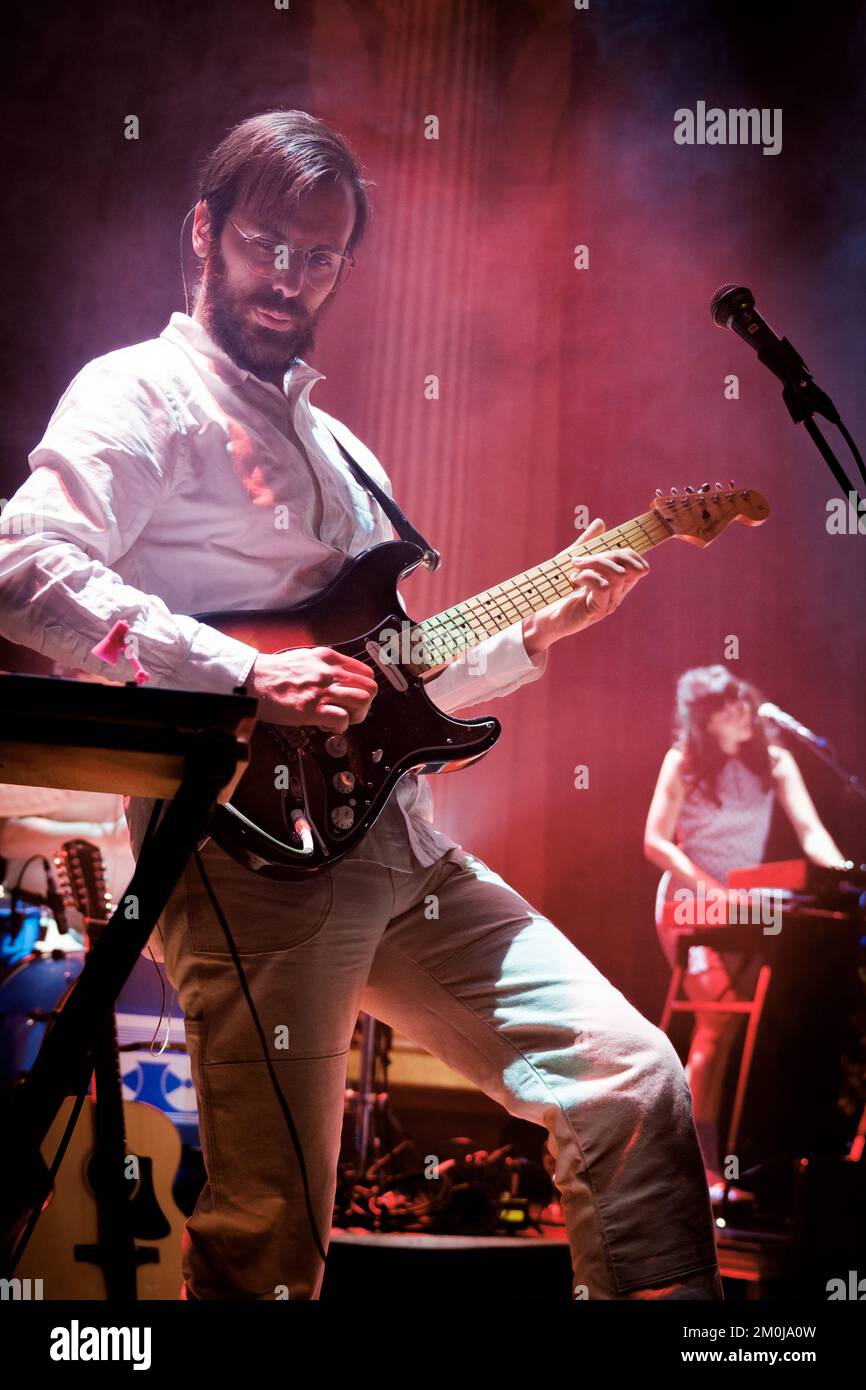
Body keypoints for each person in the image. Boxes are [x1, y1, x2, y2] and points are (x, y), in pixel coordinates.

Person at [0, 109, 723, 1300]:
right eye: (265, 245)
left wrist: (536, 629)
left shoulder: (342, 451)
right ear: (204, 232)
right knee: (275, 1234)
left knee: (630, 1078)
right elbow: (31, 571)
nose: (289, 277)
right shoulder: (137, 392)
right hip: (249, 854)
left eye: (319, 255)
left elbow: (386, 680)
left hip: (401, 846)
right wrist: (243, 671)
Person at [644, 664, 847, 1194]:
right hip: (690, 903)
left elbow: (812, 834)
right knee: (715, 1025)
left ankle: (706, 1160)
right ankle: (694, 1170)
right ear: (704, 719)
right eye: (727, 707)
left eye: (743, 702)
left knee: (735, 1030)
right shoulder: (684, 761)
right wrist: (709, 886)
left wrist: (843, 874)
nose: (742, 713)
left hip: (748, 910)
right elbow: (656, 841)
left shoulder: (775, 760)